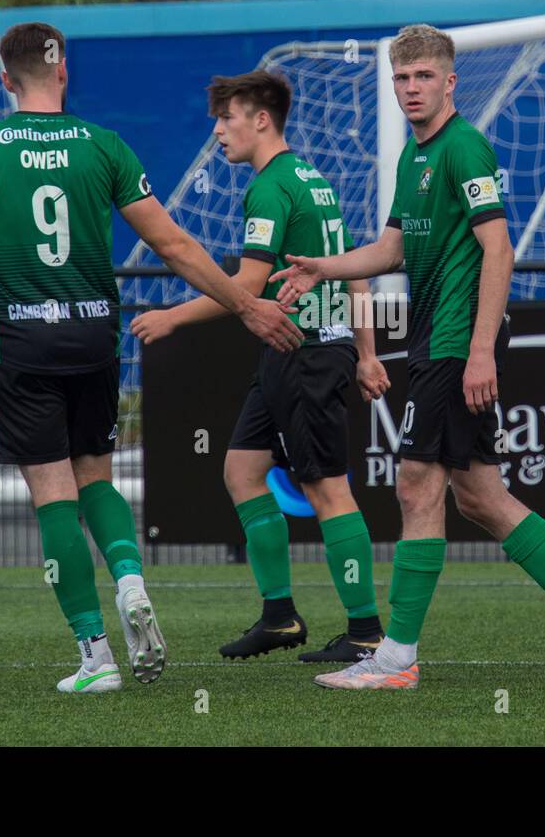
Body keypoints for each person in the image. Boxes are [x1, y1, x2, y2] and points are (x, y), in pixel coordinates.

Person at [0, 22, 302, 694]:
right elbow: (177, 246)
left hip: (21, 342)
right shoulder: (105, 146)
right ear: (63, 72)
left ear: (7, 80)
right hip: (93, 338)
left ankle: (96, 654)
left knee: (52, 496)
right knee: (94, 474)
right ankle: (130, 576)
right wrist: (246, 307)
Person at [271, 24, 545, 690]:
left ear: (449, 81)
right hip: (442, 340)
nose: (411, 88)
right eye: (401, 78)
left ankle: (396, 657)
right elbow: (390, 249)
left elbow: (499, 248)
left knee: (415, 483)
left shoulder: (464, 146)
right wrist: (322, 266)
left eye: (422, 77)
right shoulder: (415, 158)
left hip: (456, 342)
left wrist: (477, 352)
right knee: (481, 496)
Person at [132, 70, 390, 664]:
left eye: (227, 118)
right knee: (242, 471)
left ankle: (366, 630)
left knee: (326, 488)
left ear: (261, 120)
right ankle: (279, 616)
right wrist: (367, 352)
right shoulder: (312, 179)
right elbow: (353, 272)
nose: (219, 131)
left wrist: (172, 317)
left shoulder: (272, 186)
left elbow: (250, 284)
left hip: (305, 354)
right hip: (297, 354)